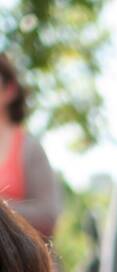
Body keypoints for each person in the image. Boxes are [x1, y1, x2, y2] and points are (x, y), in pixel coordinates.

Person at [0, 53, 61, 238]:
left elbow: (48, 216)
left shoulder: (29, 148)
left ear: (9, 90)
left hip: (17, 263)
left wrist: (3, 210)